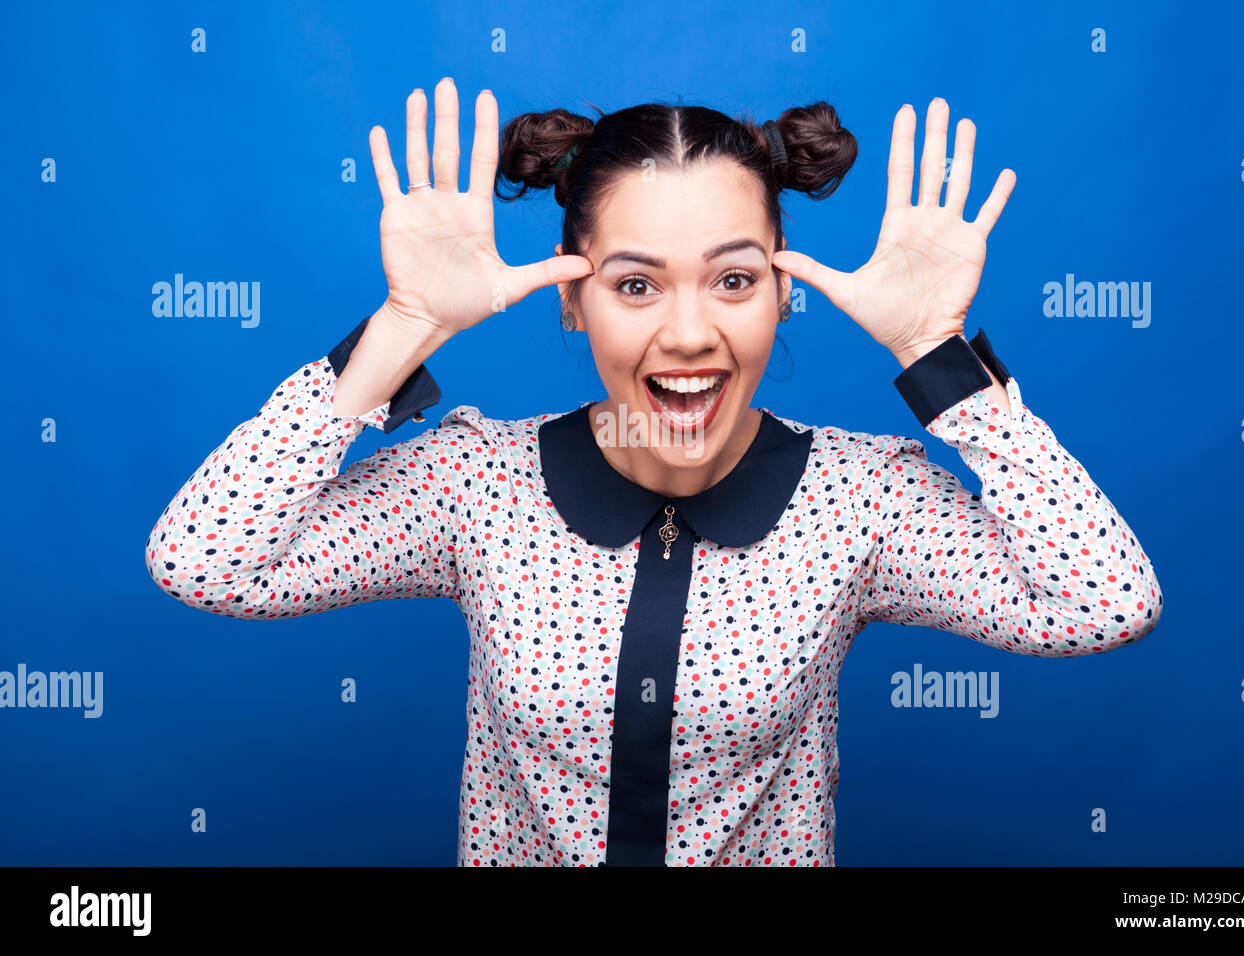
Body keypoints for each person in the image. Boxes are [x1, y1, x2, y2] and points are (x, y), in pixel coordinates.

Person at [144, 78, 1163, 866]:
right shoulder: (474, 481)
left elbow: (1104, 600)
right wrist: (398, 333)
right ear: (571, 298)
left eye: (733, 279)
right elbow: (206, 560)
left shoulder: (866, 499)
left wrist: (939, 358)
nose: (688, 332)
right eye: (634, 283)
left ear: (780, 292)